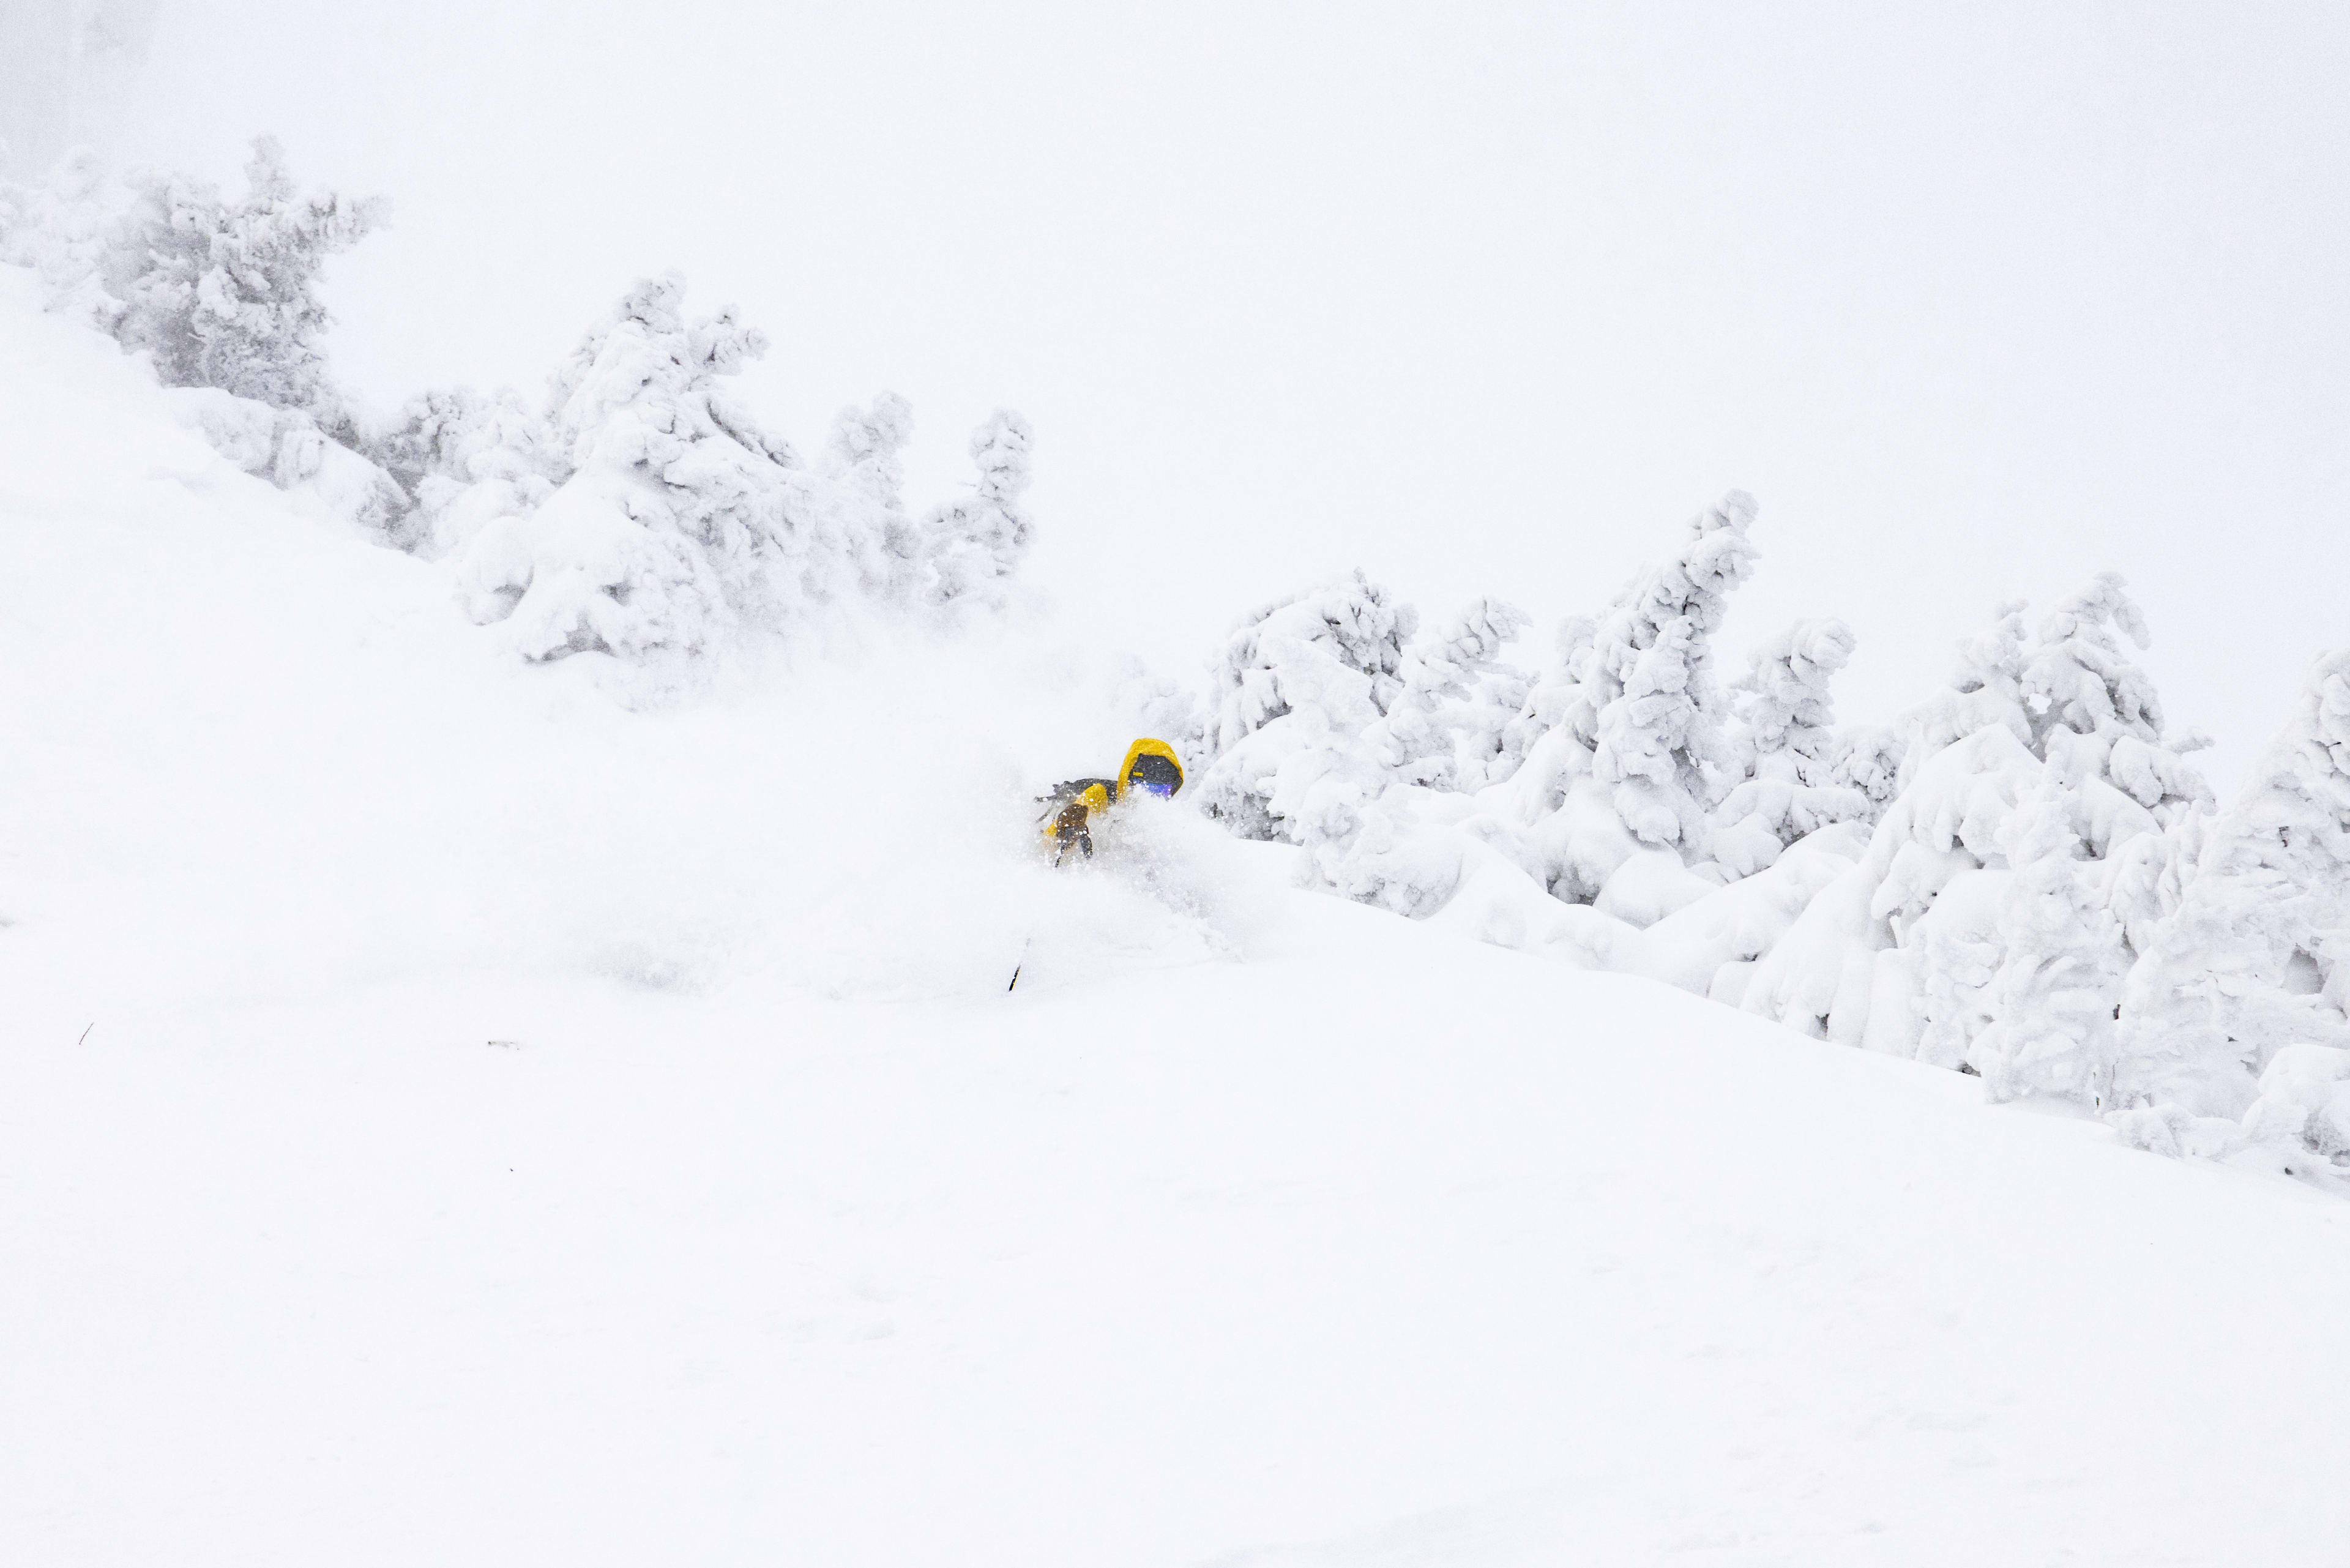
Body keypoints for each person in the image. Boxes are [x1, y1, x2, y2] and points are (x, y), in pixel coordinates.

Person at [1037, 738, 1185, 864]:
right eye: (1145, 789)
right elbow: (1046, 848)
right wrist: (1060, 836)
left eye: (1162, 791)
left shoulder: (1173, 823)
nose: (1152, 797)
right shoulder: (1100, 795)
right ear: (1129, 783)